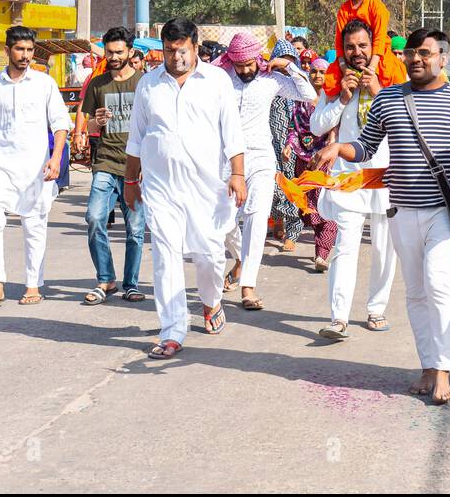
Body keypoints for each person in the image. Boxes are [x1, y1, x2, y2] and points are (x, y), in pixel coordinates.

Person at [312, 28, 450, 404]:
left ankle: (442, 370)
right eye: (412, 54)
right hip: (402, 210)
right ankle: (427, 366)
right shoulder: (388, 98)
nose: (418, 59)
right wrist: (340, 147)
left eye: (426, 53)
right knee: (417, 293)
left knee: (438, 283)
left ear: (443, 58)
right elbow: (367, 145)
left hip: (443, 212)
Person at [125, 18, 247, 359]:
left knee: (209, 255)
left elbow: (233, 133)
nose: (175, 57)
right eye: (168, 51)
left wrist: (238, 174)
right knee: (165, 256)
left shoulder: (217, 81)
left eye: (182, 51)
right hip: (161, 189)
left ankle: (211, 301)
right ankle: (173, 329)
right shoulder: (148, 84)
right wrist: (131, 180)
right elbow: (137, 137)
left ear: (195, 48)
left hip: (207, 190)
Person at [0, 27, 72, 312]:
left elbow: (60, 123)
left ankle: (32, 285)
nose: (25, 55)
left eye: (29, 50)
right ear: (7, 50)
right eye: (20, 50)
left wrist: (56, 158)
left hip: (35, 166)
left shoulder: (44, 83)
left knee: (34, 225)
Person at [309, 20, 400, 338]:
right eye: (350, 47)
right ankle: (338, 317)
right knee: (345, 247)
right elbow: (317, 126)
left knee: (383, 248)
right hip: (348, 178)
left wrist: (377, 91)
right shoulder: (335, 81)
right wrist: (343, 98)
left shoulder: (392, 78)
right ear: (342, 49)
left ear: (373, 47)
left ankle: (376, 309)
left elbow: (402, 125)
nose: (357, 53)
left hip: (385, 177)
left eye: (363, 46)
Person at [215, 33, 315, 310]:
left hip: (260, 156)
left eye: (249, 64)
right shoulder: (221, 77)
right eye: (239, 65)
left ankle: (248, 286)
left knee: (257, 216)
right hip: (224, 158)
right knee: (222, 221)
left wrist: (289, 66)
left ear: (257, 59)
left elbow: (309, 94)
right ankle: (239, 259)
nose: (245, 70)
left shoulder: (271, 78)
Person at [80, 27, 148, 306]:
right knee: (95, 217)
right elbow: (91, 126)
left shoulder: (145, 83)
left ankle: (131, 284)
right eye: (109, 52)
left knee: (135, 229)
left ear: (130, 52)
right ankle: (105, 278)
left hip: (137, 167)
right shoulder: (98, 84)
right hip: (106, 161)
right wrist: (98, 121)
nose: (114, 57)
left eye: (119, 52)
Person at [321, 0, 408, 97]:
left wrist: (371, 68)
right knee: (331, 81)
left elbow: (379, 40)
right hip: (350, 56)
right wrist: (344, 68)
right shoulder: (344, 9)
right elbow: (339, 41)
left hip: (378, 54)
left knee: (394, 75)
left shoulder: (377, 6)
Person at [290, 53, 339, 273]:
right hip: (303, 160)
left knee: (326, 206)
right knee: (308, 208)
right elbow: (293, 128)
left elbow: (337, 126)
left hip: (327, 160)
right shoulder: (300, 101)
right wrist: (289, 145)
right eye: (314, 71)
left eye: (322, 72)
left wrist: (332, 141)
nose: (318, 75)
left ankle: (322, 253)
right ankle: (321, 247)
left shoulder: (334, 99)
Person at [266, 39, 308, 253]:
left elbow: (302, 118)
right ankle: (277, 219)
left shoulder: (300, 85)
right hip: (268, 142)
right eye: (281, 61)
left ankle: (293, 232)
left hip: (293, 146)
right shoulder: (266, 82)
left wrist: (291, 142)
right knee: (272, 185)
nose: (284, 66)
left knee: (291, 186)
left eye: (289, 62)